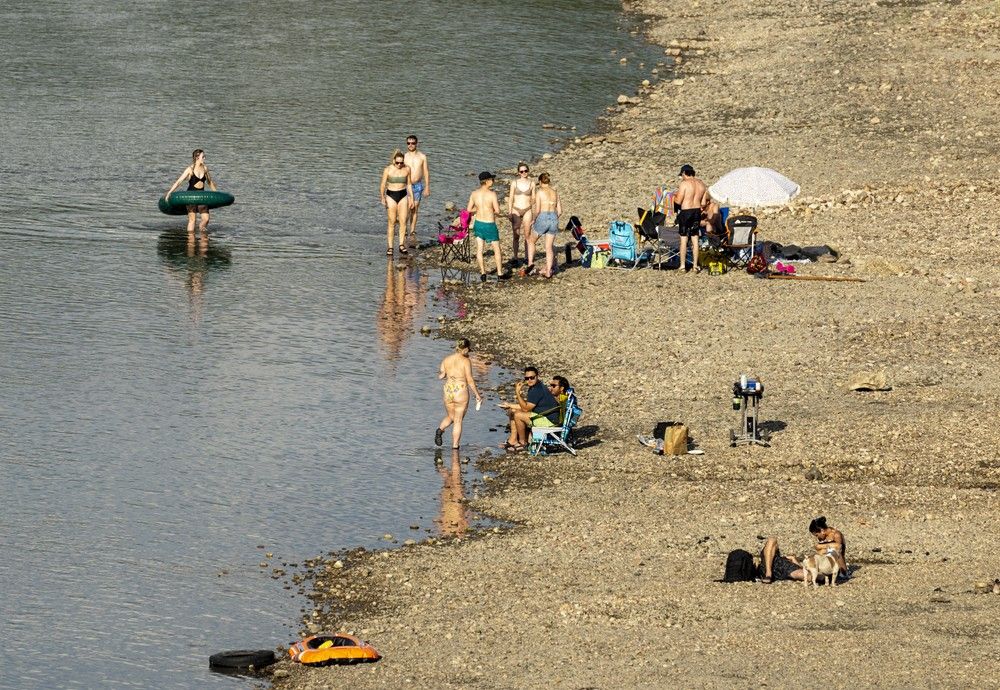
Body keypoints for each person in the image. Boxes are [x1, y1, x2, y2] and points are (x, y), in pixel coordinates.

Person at [758, 516, 848, 583]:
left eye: (817, 535)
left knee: (816, 561)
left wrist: (820, 547)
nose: (817, 538)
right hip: (824, 564)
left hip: (836, 567)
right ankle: (798, 564)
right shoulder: (824, 537)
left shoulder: (836, 535)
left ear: (822, 530)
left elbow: (838, 549)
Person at [435, 338, 483, 450]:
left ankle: (440, 430)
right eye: (468, 350)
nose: (469, 352)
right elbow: (469, 379)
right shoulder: (466, 361)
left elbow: (441, 375)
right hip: (460, 390)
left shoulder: (446, 359)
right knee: (458, 420)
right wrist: (477, 394)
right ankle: (455, 447)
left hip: (448, 390)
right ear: (465, 349)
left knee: (451, 416)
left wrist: (445, 374)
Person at [499, 366, 560, 451]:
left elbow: (525, 409)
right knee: (512, 411)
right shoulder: (536, 386)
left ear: (537, 376)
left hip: (549, 420)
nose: (529, 380)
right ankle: (513, 440)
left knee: (518, 415)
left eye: (532, 377)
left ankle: (522, 443)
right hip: (544, 415)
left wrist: (518, 393)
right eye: (527, 378)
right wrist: (509, 405)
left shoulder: (536, 390)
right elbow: (528, 405)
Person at [468, 172, 510, 281]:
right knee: (497, 249)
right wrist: (491, 210)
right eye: (492, 179)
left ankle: (483, 273)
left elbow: (469, 209)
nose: (493, 181)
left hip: (478, 223)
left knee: (479, 249)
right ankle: (500, 274)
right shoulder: (492, 194)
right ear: (487, 181)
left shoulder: (474, 193)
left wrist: (478, 209)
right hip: (489, 224)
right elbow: (498, 210)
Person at [165, 149, 218, 235]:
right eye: (203, 157)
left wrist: (216, 193)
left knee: (206, 219)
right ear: (197, 157)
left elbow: (210, 182)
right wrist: (169, 192)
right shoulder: (190, 169)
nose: (204, 158)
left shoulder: (205, 168)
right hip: (190, 197)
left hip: (202, 196)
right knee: (192, 220)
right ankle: (190, 239)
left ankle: (201, 230)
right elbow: (179, 182)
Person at [673, 164, 709, 273]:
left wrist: (674, 197)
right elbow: (703, 203)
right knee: (695, 238)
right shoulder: (702, 184)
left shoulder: (684, 184)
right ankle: (695, 266)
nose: (682, 177)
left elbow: (678, 201)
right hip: (696, 212)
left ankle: (682, 266)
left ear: (685, 173)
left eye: (682, 175)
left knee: (683, 239)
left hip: (686, 212)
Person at [379, 150, 413, 256]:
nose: (399, 165)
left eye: (401, 163)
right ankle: (390, 247)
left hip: (403, 195)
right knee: (392, 221)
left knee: (403, 221)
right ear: (394, 161)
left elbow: (409, 184)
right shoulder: (388, 170)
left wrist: (411, 198)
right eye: (397, 162)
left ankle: (401, 245)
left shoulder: (407, 169)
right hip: (391, 195)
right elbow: (383, 184)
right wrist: (382, 197)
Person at [531, 172, 562, 278]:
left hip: (543, 217)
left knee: (531, 241)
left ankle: (530, 263)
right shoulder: (555, 192)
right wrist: (553, 218)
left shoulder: (539, 192)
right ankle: (548, 271)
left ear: (540, 182)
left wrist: (533, 219)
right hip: (553, 217)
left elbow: (537, 210)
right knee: (549, 247)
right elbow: (560, 211)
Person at [506, 162, 535, 268]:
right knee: (516, 235)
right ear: (518, 172)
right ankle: (515, 257)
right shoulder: (514, 183)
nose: (524, 173)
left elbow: (534, 198)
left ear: (528, 171)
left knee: (527, 235)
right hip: (516, 209)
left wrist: (534, 210)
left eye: (525, 171)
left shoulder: (532, 183)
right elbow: (510, 198)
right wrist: (509, 212)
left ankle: (527, 257)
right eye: (521, 171)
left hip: (527, 210)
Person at [403, 135, 429, 248]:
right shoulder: (404, 156)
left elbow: (426, 171)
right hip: (406, 185)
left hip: (418, 185)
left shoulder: (422, 156)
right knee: (408, 208)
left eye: (413, 143)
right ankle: (404, 229)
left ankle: (412, 230)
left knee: (415, 208)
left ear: (416, 144)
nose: (410, 145)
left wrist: (427, 187)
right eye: (408, 143)